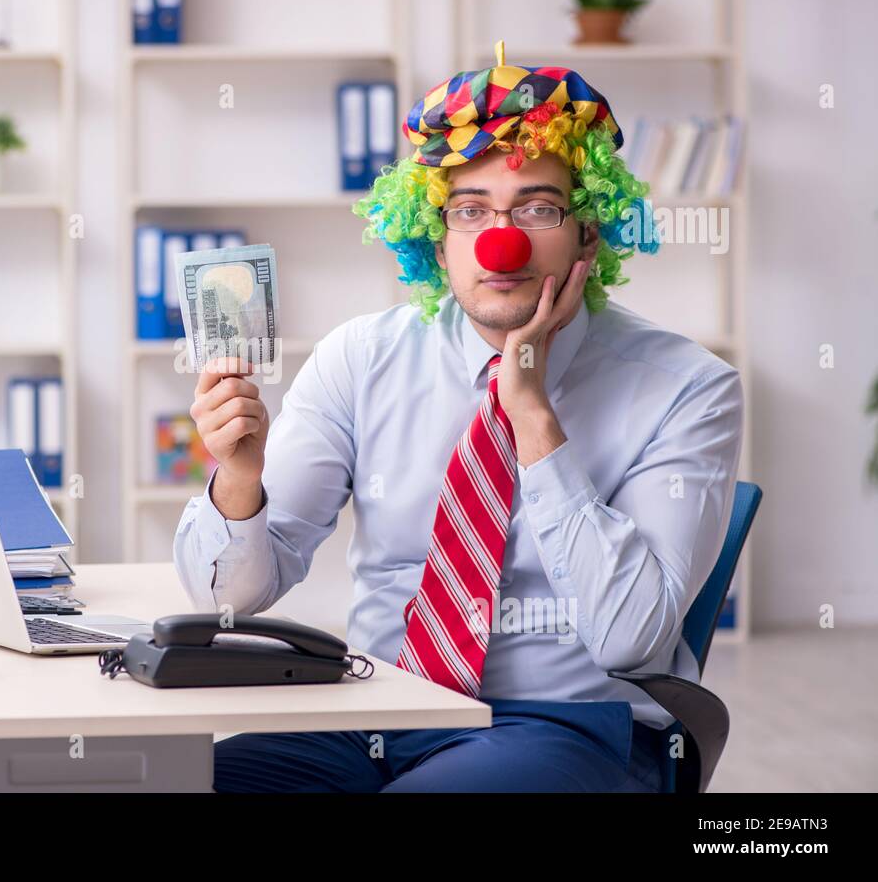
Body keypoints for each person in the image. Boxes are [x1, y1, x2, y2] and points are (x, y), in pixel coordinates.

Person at [171, 43, 745, 792]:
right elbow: (230, 599)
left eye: (538, 208)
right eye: (470, 210)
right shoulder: (359, 358)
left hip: (566, 724)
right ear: (436, 240)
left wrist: (532, 415)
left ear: (589, 232)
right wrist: (239, 478)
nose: (499, 241)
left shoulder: (688, 388)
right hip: (371, 714)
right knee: (171, 780)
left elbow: (631, 637)